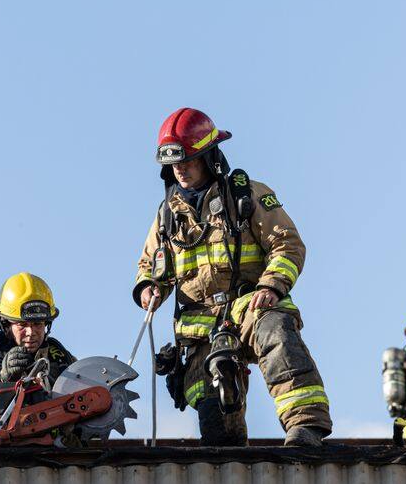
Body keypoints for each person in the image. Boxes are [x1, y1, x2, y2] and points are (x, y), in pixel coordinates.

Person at [134, 107, 332, 447]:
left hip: (248, 306)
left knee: (276, 332)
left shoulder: (246, 195)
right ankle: (231, 465)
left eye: (188, 160)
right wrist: (149, 290)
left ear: (209, 157)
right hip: (200, 329)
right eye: (174, 164)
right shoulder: (166, 217)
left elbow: (287, 244)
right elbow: (149, 268)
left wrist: (272, 286)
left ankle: (306, 427)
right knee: (214, 414)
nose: (179, 169)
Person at [0, 272, 76, 420]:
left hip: (62, 442)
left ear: (47, 324)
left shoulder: (63, 359)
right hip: (9, 441)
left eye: (37, 324)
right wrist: (2, 377)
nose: (31, 332)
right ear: (6, 325)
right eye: (22, 325)